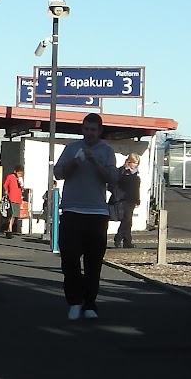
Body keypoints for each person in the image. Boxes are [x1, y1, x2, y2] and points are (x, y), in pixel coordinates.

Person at [53, 112, 117, 321]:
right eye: (87, 129)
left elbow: (112, 178)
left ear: (99, 131)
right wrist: (75, 162)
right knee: (69, 259)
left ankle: (90, 304)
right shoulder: (72, 148)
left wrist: (94, 161)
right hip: (72, 211)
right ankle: (75, 301)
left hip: (97, 213)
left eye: (93, 130)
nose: (90, 133)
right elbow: (58, 173)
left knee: (93, 263)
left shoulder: (107, 151)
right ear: (82, 129)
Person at [112, 154, 142, 248]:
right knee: (126, 220)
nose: (136, 165)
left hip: (131, 199)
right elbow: (118, 183)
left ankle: (127, 241)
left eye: (137, 163)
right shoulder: (123, 171)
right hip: (123, 199)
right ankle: (118, 238)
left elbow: (135, 189)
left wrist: (137, 200)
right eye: (134, 163)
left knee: (128, 221)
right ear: (129, 162)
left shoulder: (135, 173)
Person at [0, 166, 25, 238]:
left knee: (15, 215)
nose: (20, 175)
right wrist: (6, 191)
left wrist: (21, 184)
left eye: (21, 174)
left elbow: (22, 188)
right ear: (15, 172)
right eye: (19, 173)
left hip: (18, 198)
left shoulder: (20, 179)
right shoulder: (10, 177)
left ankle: (8, 230)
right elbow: (5, 185)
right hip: (11, 198)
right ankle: (10, 229)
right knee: (11, 214)